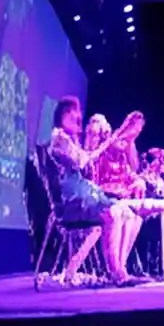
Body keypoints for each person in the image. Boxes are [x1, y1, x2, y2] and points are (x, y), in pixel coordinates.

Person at [46, 97, 143, 285]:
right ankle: (116, 272)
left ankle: (120, 270)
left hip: (82, 193)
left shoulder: (67, 140)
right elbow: (83, 161)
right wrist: (116, 134)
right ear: (63, 115)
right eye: (74, 113)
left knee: (129, 215)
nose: (79, 117)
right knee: (114, 213)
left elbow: (87, 158)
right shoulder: (59, 138)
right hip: (72, 200)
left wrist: (119, 133)